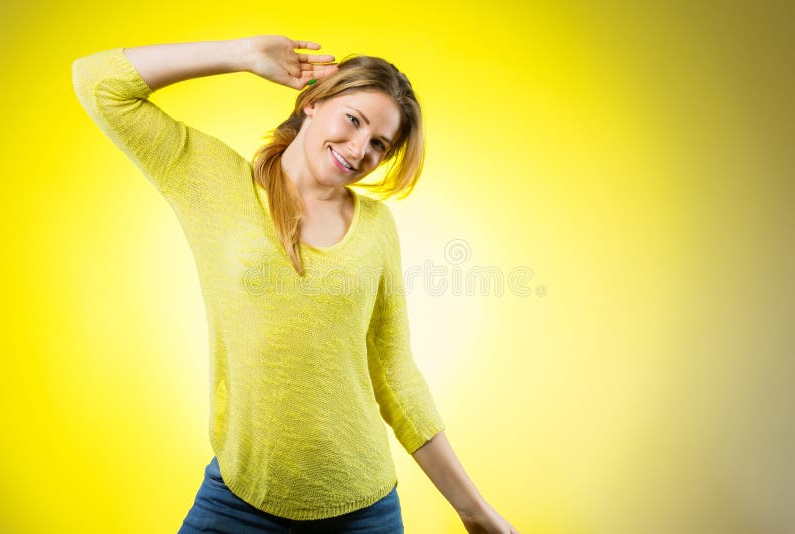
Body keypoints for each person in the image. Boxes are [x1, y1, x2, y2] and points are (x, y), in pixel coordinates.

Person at [72, 34, 519, 533]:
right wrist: (239, 56)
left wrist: (473, 510)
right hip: (238, 498)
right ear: (312, 102)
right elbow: (98, 83)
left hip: (363, 510)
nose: (359, 149)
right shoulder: (212, 180)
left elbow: (396, 375)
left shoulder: (375, 228)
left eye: (379, 144)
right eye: (353, 120)